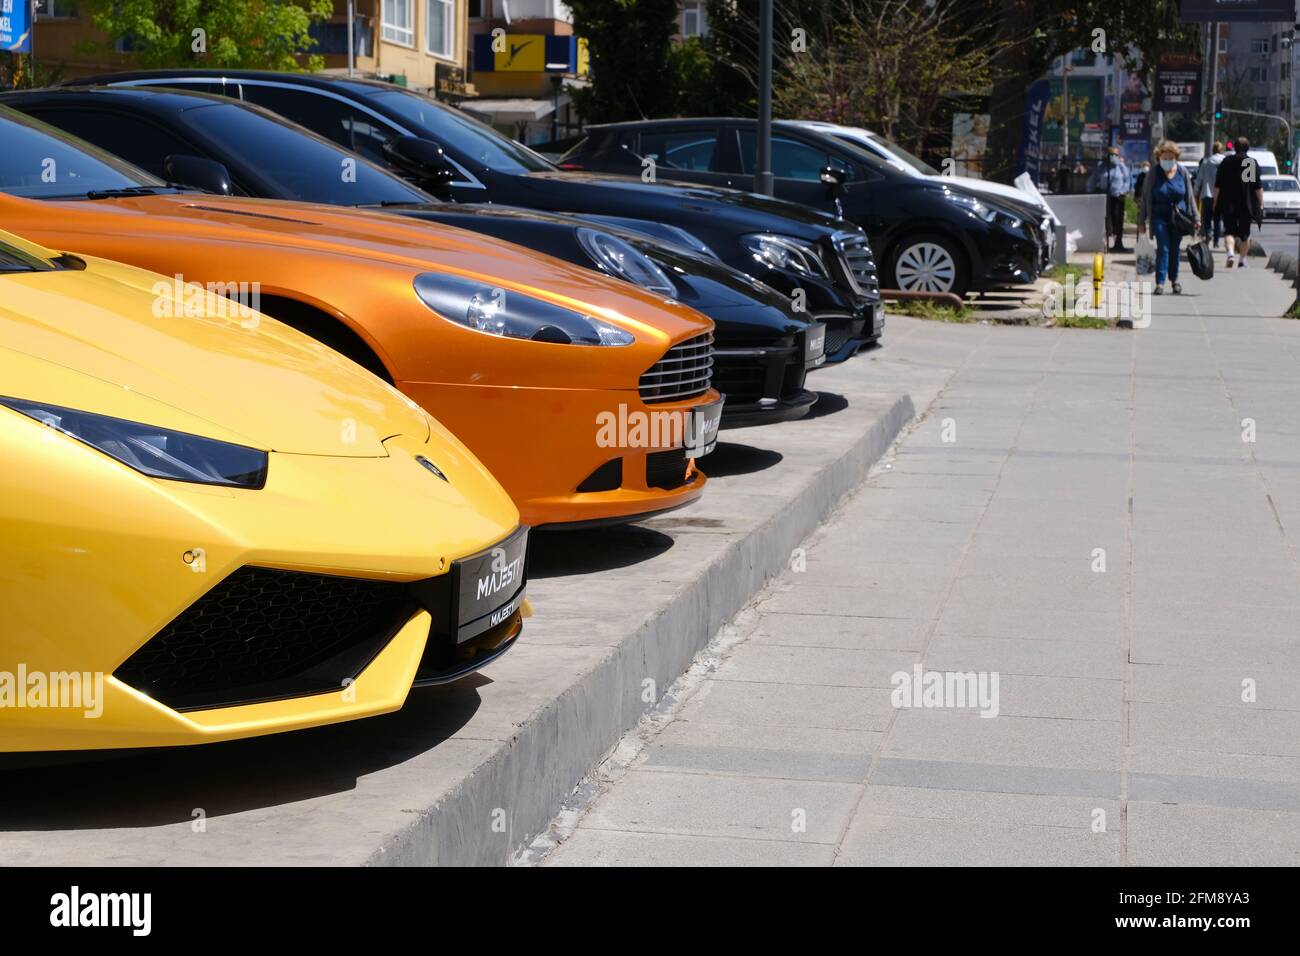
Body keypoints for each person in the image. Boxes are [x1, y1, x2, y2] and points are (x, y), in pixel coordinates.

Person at [1138, 140, 1200, 294]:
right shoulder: (1153, 173)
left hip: (1178, 218)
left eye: (1170, 158)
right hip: (1159, 216)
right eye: (1164, 158)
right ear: (1159, 157)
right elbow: (1145, 198)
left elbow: (1190, 196)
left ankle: (1174, 280)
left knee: (1175, 249)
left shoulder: (1182, 172)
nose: (1167, 161)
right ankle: (1160, 283)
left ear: (1176, 158)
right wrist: (1141, 221)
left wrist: (1196, 217)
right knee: (1163, 247)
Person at [1213, 137, 1265, 268]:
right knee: (1245, 235)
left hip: (1228, 203)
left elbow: (1218, 186)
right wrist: (1261, 203)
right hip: (1246, 204)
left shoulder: (1226, 162)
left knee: (1229, 231)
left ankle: (1230, 254)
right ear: (1247, 148)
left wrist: (1215, 202)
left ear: (1234, 147)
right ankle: (1242, 260)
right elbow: (1257, 186)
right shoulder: (1250, 163)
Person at [1089, 146, 1132, 252]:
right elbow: (1093, 180)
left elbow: (1127, 181)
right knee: (1106, 220)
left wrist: (1123, 191)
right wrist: (1091, 191)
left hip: (1118, 197)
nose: (1112, 157)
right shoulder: (1102, 167)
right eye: (1110, 155)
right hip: (1105, 197)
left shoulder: (1121, 167)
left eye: (1115, 155)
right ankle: (1105, 242)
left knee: (1118, 220)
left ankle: (1118, 243)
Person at [1195, 141, 1226, 247]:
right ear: (1222, 150)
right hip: (1221, 195)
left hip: (1207, 194)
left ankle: (1208, 233)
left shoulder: (1206, 162)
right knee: (1217, 218)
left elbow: (1199, 179)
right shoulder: (1225, 162)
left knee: (1207, 217)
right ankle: (1216, 241)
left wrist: (1195, 192)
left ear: (1212, 150)